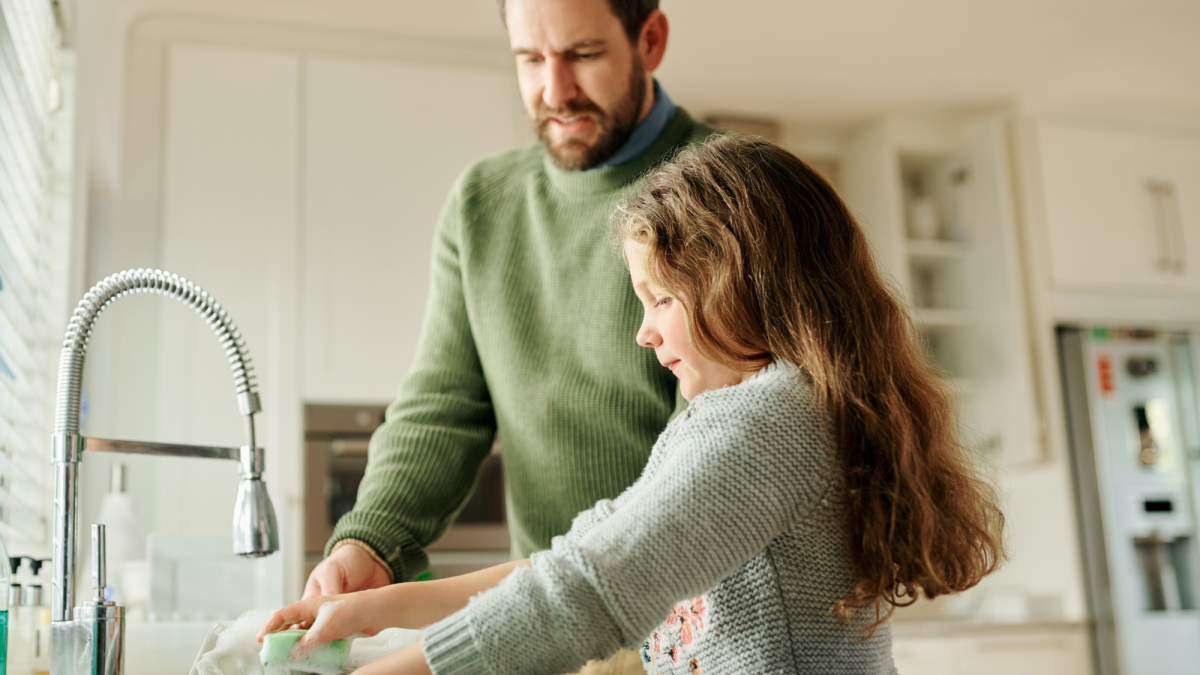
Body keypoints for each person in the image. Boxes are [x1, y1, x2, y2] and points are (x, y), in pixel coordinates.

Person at [262, 136, 1007, 674]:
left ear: (733, 282)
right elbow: (578, 556)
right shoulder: (735, 415)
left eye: (659, 298)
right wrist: (374, 609)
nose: (644, 332)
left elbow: (586, 591)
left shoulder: (768, 423)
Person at [308, 1, 711, 670]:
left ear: (651, 38)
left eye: (582, 55)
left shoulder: (731, 190)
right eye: (530, 59)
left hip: (692, 633)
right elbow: (442, 407)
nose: (554, 91)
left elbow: (703, 475)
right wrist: (370, 543)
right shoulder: (481, 204)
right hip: (552, 623)